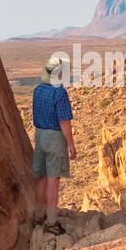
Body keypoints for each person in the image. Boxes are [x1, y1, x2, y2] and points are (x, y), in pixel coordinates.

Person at [30, 55, 77, 234]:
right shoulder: (59, 93)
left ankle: (38, 216)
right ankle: (51, 222)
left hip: (40, 136)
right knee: (53, 180)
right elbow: (64, 121)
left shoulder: (37, 90)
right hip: (55, 138)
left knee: (42, 177)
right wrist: (71, 144)